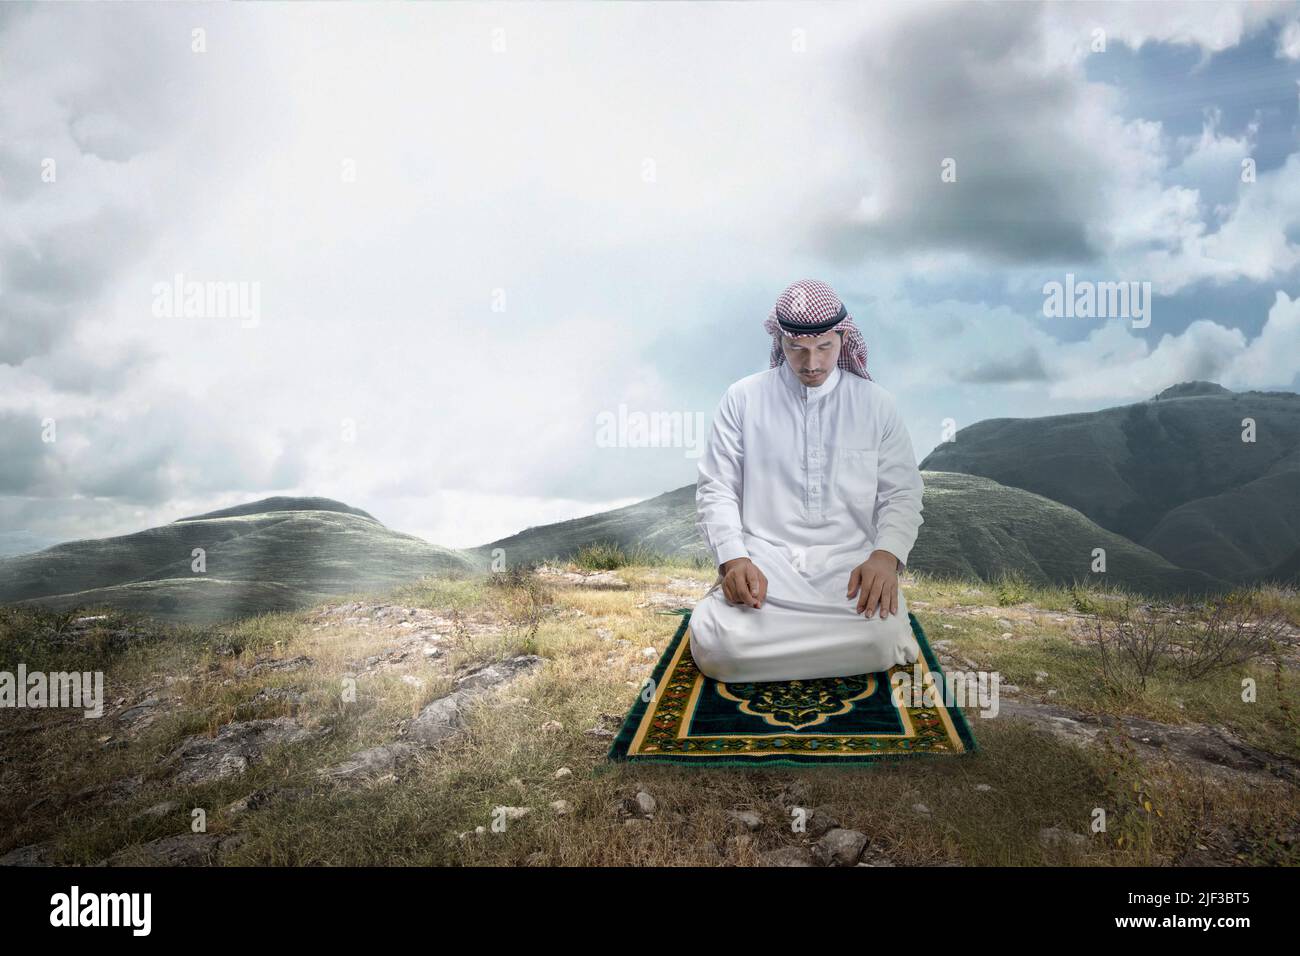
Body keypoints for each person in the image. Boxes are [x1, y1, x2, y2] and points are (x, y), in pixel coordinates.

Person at [688, 278, 925, 683]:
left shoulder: (876, 405)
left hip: (847, 568)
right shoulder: (742, 399)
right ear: (779, 341)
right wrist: (734, 558)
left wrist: (884, 558)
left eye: (824, 348)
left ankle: (781, 651)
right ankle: (838, 648)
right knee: (719, 646)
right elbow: (717, 487)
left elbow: (902, 493)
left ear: (843, 338)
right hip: (766, 564)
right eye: (797, 348)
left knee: (881, 634)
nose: (811, 363)